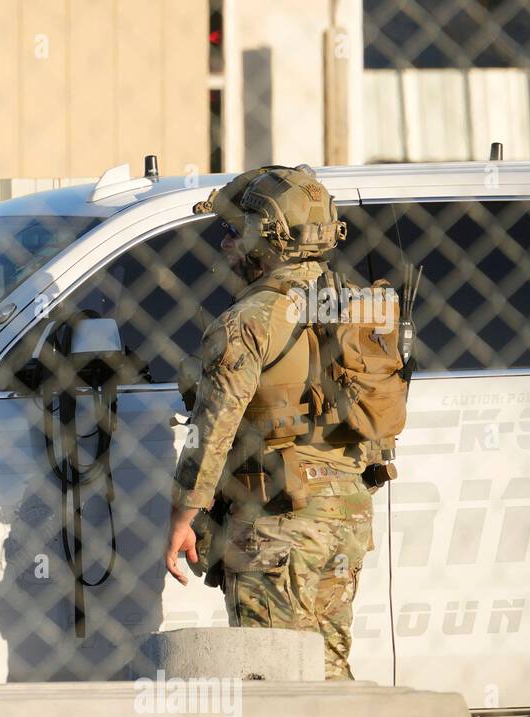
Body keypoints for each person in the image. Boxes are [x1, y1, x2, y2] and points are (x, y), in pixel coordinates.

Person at [163, 164, 389, 681]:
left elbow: (211, 429)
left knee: (274, 677)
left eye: (230, 231)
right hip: (345, 519)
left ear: (265, 236)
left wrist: (183, 514)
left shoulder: (248, 320)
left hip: (277, 521)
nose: (223, 246)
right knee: (328, 670)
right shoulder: (357, 306)